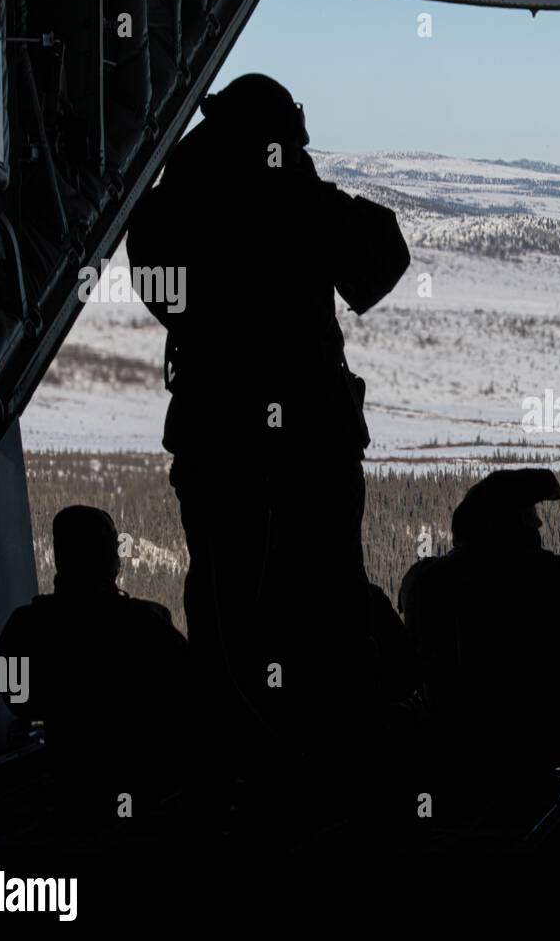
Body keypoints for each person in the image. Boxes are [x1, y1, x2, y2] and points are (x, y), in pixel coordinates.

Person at [125, 74, 410, 782]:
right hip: (311, 431)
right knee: (332, 592)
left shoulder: (174, 205)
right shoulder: (295, 196)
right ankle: (345, 753)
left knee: (224, 598)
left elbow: (168, 297)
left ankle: (239, 754)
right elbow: (379, 262)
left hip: (218, 433)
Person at [399, 468, 560, 822]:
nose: (538, 526)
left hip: (451, 760)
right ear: (509, 524)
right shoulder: (551, 578)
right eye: (529, 516)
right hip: (549, 765)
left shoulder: (424, 580)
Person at [0, 506, 190, 830]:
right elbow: (189, 693)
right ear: (111, 561)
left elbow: (20, 701)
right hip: (147, 793)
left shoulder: (27, 627)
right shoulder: (148, 623)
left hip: (72, 790)